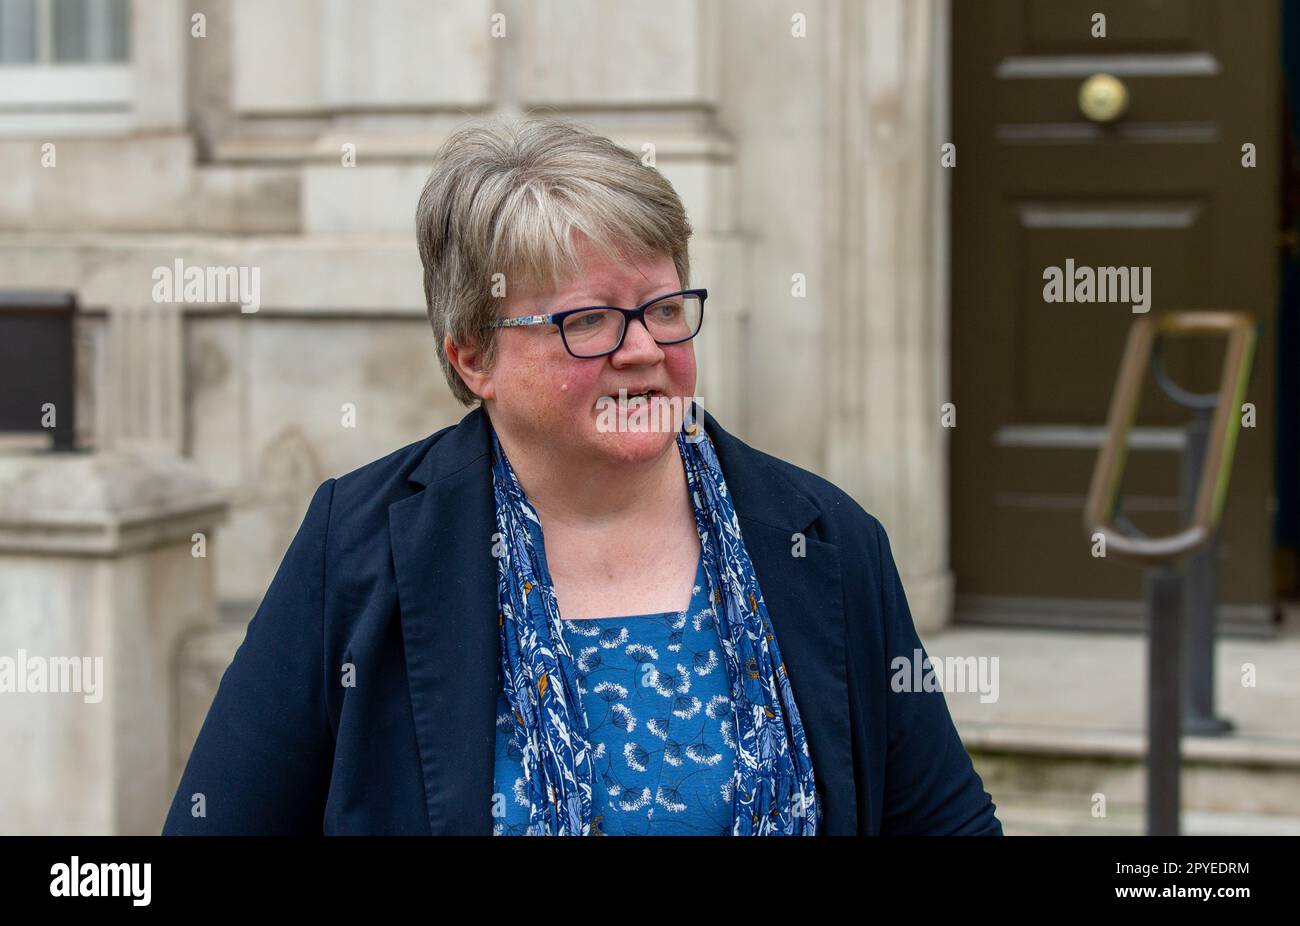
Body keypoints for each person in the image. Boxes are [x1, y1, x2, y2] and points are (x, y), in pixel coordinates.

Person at [162, 116, 1002, 836]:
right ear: (472, 356)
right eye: (587, 321)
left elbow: (947, 824)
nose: (642, 349)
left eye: (665, 309)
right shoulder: (359, 545)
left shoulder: (821, 537)